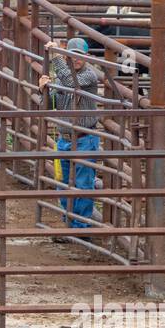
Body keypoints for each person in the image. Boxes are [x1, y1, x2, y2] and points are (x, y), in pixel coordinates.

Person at [39, 36, 103, 238]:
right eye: (72, 55)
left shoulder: (89, 76)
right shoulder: (61, 78)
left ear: (86, 57)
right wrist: (44, 91)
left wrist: (56, 55)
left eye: (80, 56)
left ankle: (80, 228)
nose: (76, 59)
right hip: (65, 138)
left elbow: (70, 82)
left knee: (83, 183)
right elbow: (49, 107)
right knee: (63, 183)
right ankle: (70, 222)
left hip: (85, 138)